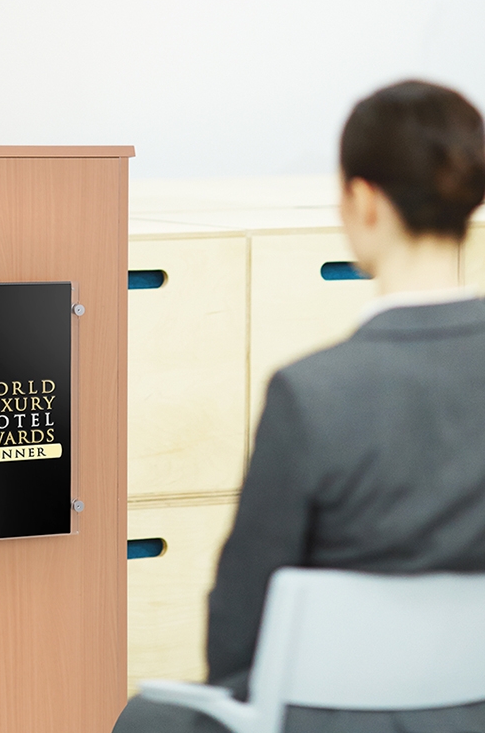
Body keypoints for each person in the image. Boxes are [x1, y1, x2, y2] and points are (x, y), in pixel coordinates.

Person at [115, 79, 485, 733]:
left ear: (363, 200)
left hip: (337, 720)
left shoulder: (315, 394)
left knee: (148, 717)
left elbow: (239, 635)